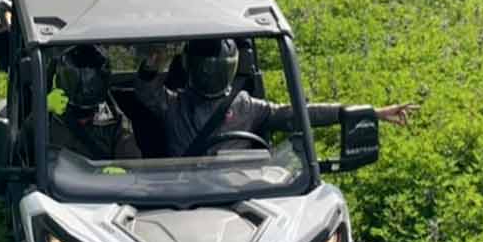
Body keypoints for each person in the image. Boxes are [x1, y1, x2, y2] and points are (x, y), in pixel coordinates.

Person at [136, 38, 416, 156]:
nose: (211, 74)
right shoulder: (172, 104)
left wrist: (368, 112)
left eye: (218, 68)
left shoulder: (246, 106)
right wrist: (153, 64)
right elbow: (144, 90)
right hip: (180, 200)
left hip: (240, 197)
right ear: (189, 67)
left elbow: (300, 113)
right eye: (205, 67)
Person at [48, 45, 141, 160]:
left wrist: (121, 171)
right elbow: (22, 157)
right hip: (53, 177)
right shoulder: (47, 117)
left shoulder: (116, 122)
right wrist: (41, 111)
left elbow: (131, 162)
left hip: (100, 178)